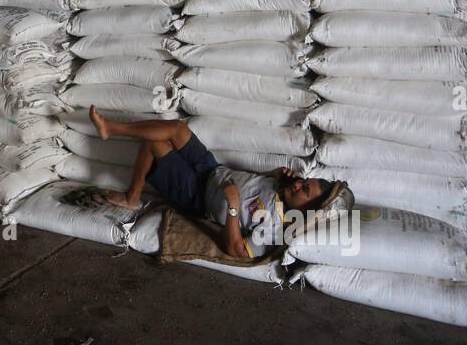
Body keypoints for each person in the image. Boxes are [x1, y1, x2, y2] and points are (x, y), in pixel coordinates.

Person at [89, 106, 335, 259]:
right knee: (175, 128)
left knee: (154, 143)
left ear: (306, 209)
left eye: (304, 191)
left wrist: (233, 208)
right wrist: (270, 174)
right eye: (304, 182)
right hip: (211, 169)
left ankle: (133, 197)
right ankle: (111, 128)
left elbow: (237, 250)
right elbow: (250, 182)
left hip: (197, 196)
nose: (298, 185)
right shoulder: (281, 186)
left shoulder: (273, 230)